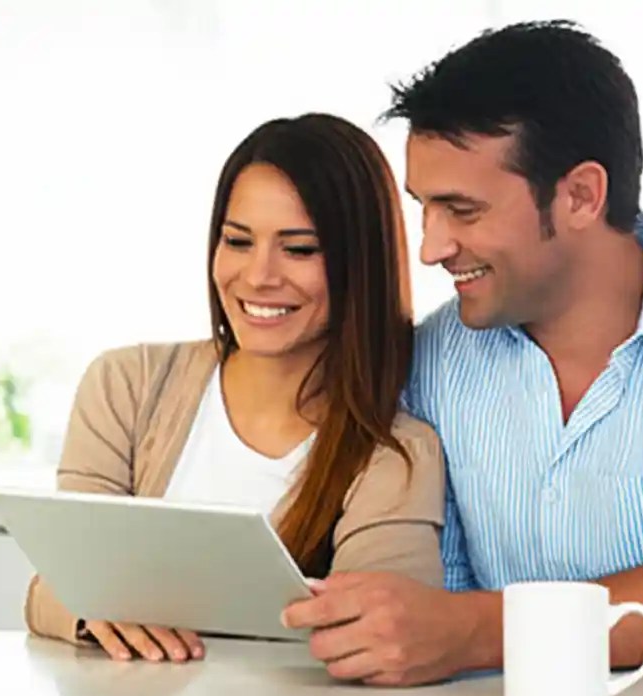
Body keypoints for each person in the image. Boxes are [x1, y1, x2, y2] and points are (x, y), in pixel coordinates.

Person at [281, 21, 643, 696]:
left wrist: (471, 632)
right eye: (424, 208)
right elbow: (433, 601)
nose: (431, 247)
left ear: (581, 195)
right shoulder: (430, 362)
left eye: (462, 209)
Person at [25, 113, 446, 664]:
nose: (258, 276)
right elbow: (50, 590)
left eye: (299, 249)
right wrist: (91, 609)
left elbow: (386, 632)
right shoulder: (127, 386)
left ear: (358, 265)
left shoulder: (398, 452)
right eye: (238, 241)